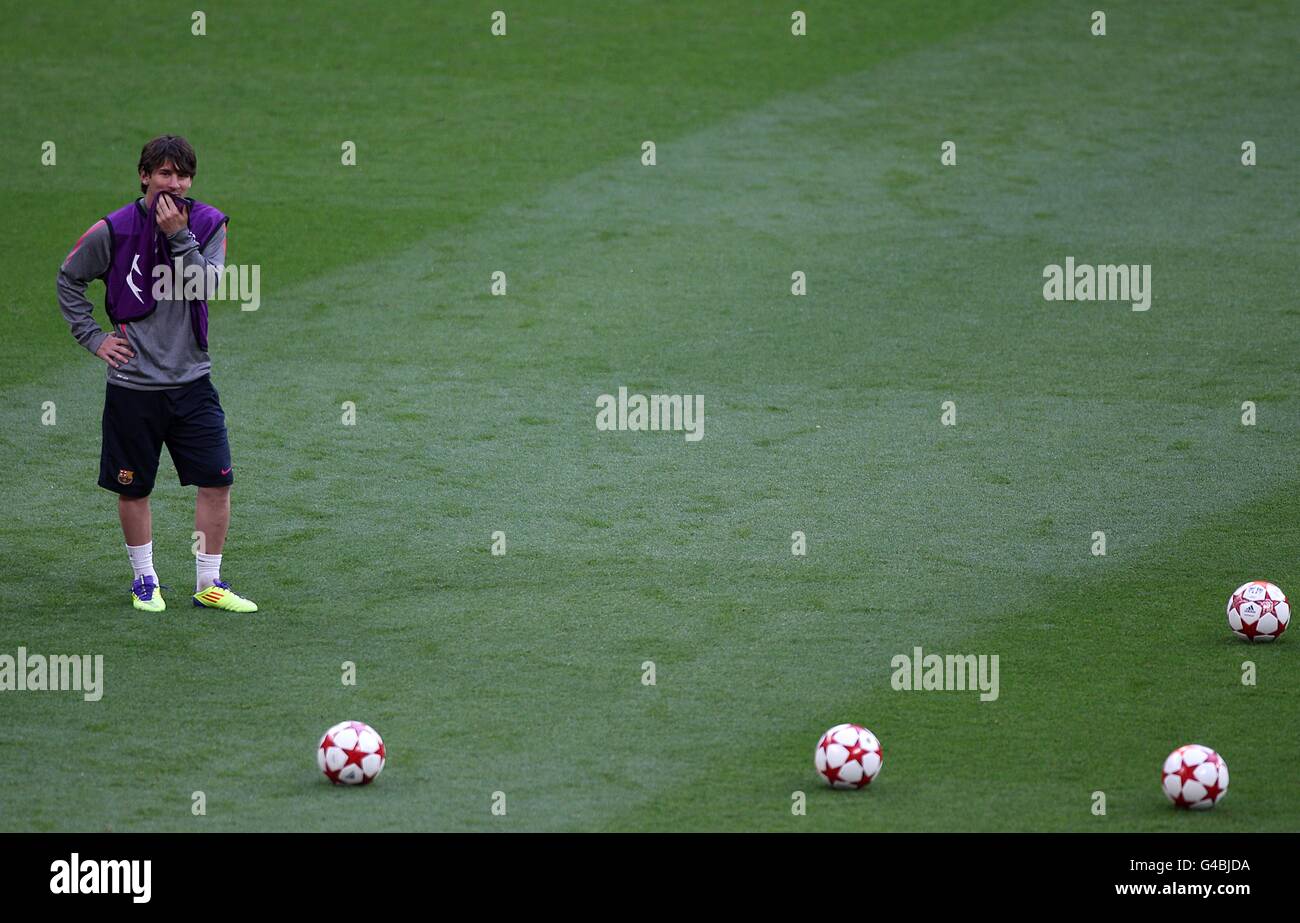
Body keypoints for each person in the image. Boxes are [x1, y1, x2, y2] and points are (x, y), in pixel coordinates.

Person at [57, 135, 257, 613]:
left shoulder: (207, 224)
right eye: (165, 173)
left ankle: (208, 583)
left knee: (217, 481)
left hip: (193, 384)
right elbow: (69, 277)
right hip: (134, 387)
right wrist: (93, 338)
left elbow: (206, 286)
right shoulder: (114, 230)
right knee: (134, 487)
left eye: (183, 175)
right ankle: (144, 579)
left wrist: (179, 237)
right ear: (145, 175)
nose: (175, 183)